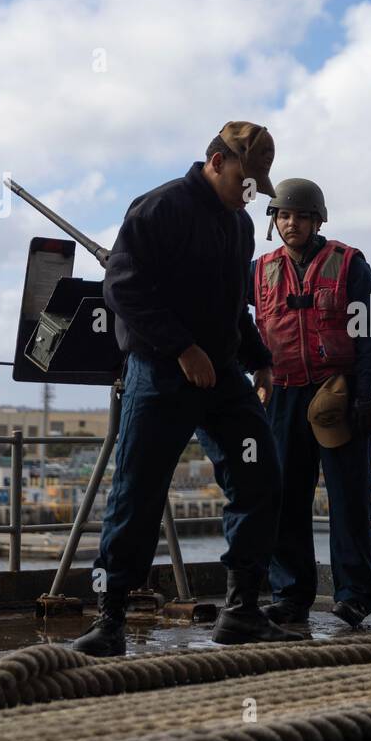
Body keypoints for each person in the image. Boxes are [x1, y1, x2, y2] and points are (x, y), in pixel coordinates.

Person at [72, 121, 299, 656]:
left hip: (221, 374)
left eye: (257, 186)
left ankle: (241, 611)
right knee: (138, 491)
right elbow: (122, 286)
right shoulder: (160, 208)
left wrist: (259, 360)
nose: (250, 194)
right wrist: (181, 348)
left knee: (261, 475)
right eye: (245, 179)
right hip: (160, 371)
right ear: (217, 161)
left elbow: (232, 306)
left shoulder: (239, 224)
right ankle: (110, 619)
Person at [250, 178, 371, 628]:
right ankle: (290, 595)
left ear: (317, 220)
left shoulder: (350, 266)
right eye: (284, 215)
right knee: (285, 498)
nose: (291, 223)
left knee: (348, 500)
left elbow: (369, 334)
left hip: (337, 395)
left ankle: (355, 596)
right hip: (282, 396)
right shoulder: (258, 270)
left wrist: (366, 395)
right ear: (274, 221)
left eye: (301, 216)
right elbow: (232, 321)